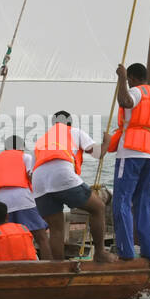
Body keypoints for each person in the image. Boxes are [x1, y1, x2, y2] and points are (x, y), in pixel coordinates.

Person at [108, 62, 150, 262]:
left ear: (133, 78)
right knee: (143, 202)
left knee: (121, 202)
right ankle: (149, 251)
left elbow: (125, 101)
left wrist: (121, 78)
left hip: (130, 152)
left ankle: (126, 252)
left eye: (129, 79)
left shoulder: (135, 92)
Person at [31, 112, 113, 262]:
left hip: (39, 181)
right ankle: (100, 252)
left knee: (56, 229)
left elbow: (31, 172)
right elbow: (98, 153)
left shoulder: (42, 140)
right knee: (98, 208)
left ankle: (58, 267)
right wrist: (107, 141)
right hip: (61, 173)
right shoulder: (74, 131)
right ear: (69, 123)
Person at [0, 135, 50, 258]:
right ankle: (50, 268)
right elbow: (33, 177)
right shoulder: (25, 157)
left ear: (5, 148)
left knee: (7, 237)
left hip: (2, 205)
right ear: (22, 148)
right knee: (41, 237)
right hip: (23, 200)